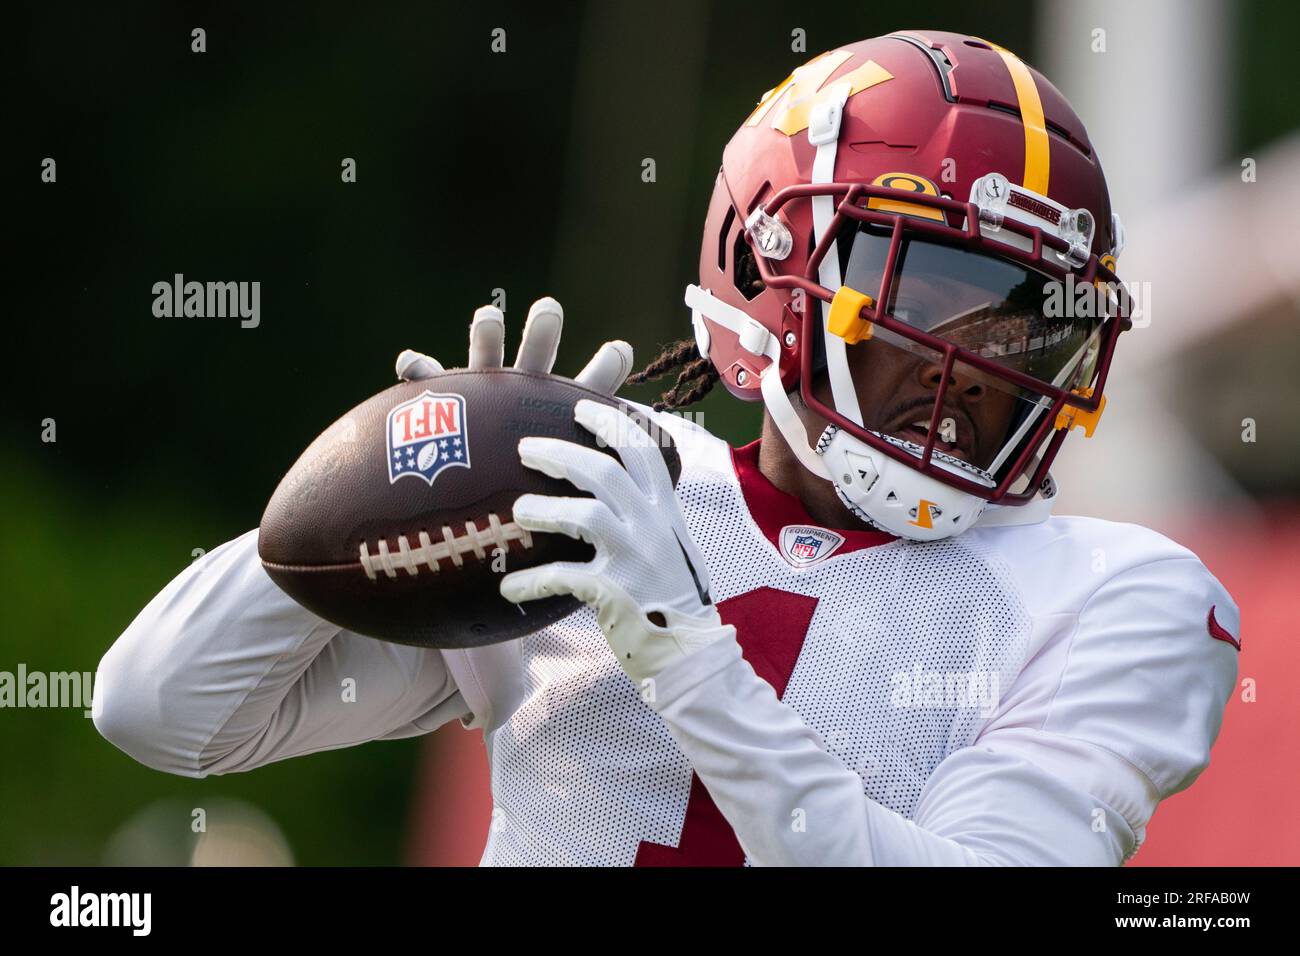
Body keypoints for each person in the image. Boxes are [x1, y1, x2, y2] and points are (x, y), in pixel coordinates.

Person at [94, 31, 1238, 866]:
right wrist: (416, 454)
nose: (977, 363)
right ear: (767, 269)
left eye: (1027, 319)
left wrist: (680, 647)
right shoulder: (601, 497)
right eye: (935, 288)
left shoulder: (1117, 597)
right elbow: (160, 708)